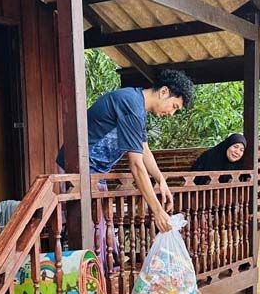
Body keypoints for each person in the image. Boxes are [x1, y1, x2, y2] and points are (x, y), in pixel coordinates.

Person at [56, 70, 195, 268]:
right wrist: (157, 210)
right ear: (164, 91)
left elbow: (144, 149)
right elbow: (137, 165)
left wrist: (160, 180)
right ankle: (93, 280)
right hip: (77, 170)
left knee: (102, 228)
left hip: (95, 173)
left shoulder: (137, 106)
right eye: (174, 106)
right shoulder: (131, 104)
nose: (171, 113)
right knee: (89, 229)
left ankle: (102, 276)